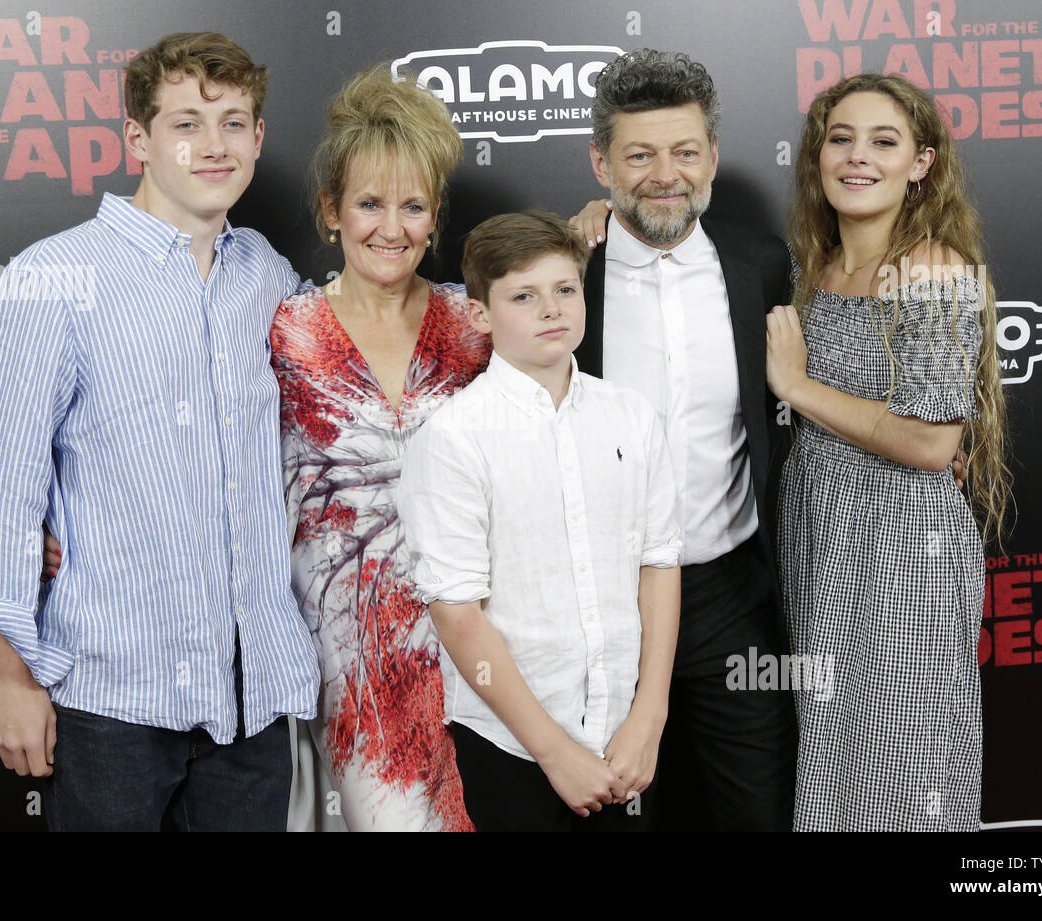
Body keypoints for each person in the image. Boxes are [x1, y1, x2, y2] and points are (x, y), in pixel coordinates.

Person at [0, 32, 319, 831]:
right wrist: (9, 678)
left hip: (248, 702)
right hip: (110, 699)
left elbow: (376, 326)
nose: (212, 145)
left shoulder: (267, 274)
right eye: (186, 122)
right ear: (138, 139)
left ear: (258, 138)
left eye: (233, 122)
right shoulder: (53, 278)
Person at [765, 73, 1011, 831]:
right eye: (840, 139)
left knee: (903, 763)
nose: (857, 156)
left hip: (905, 545)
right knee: (832, 758)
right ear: (817, 157)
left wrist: (797, 388)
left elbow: (931, 442)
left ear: (922, 163)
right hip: (820, 532)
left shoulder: (931, 270)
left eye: (883, 141)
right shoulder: (812, 266)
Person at [571, 49, 798, 830]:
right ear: (601, 162)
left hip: (735, 597)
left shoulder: (761, 266)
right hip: (603, 607)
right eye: (638, 154)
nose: (664, 174)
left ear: (712, 157)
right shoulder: (568, 276)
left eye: (684, 151)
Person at [396, 211, 682, 831]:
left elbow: (658, 563)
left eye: (564, 290)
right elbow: (456, 610)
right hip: (512, 742)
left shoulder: (632, 417)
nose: (551, 309)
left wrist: (648, 718)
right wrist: (554, 754)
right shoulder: (454, 438)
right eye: (523, 296)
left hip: (625, 736)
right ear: (480, 314)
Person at [269, 64, 490, 831]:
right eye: (368, 203)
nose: (390, 228)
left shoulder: (475, 326)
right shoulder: (285, 329)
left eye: (412, 205)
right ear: (331, 211)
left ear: (435, 217)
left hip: (476, 642)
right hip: (348, 659)